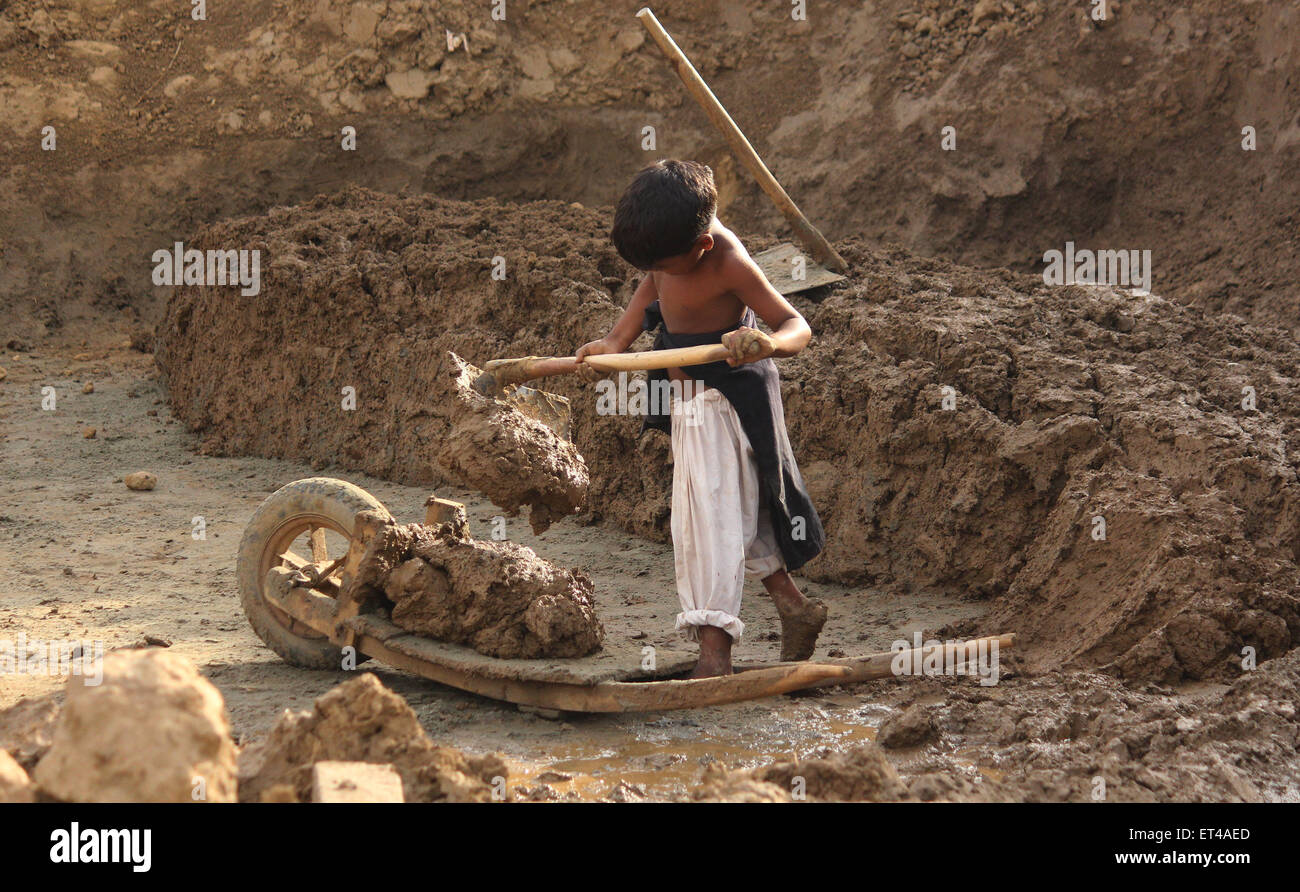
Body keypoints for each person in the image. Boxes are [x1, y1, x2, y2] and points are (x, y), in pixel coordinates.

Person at [576, 159, 828, 677]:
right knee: (736, 507)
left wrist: (766, 343)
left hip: (725, 404)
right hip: (687, 401)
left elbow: (795, 325)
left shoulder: (728, 260)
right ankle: (794, 609)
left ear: (702, 247)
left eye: (669, 264)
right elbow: (651, 290)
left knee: (708, 519)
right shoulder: (670, 254)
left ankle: (715, 656)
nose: (660, 274)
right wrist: (615, 342)